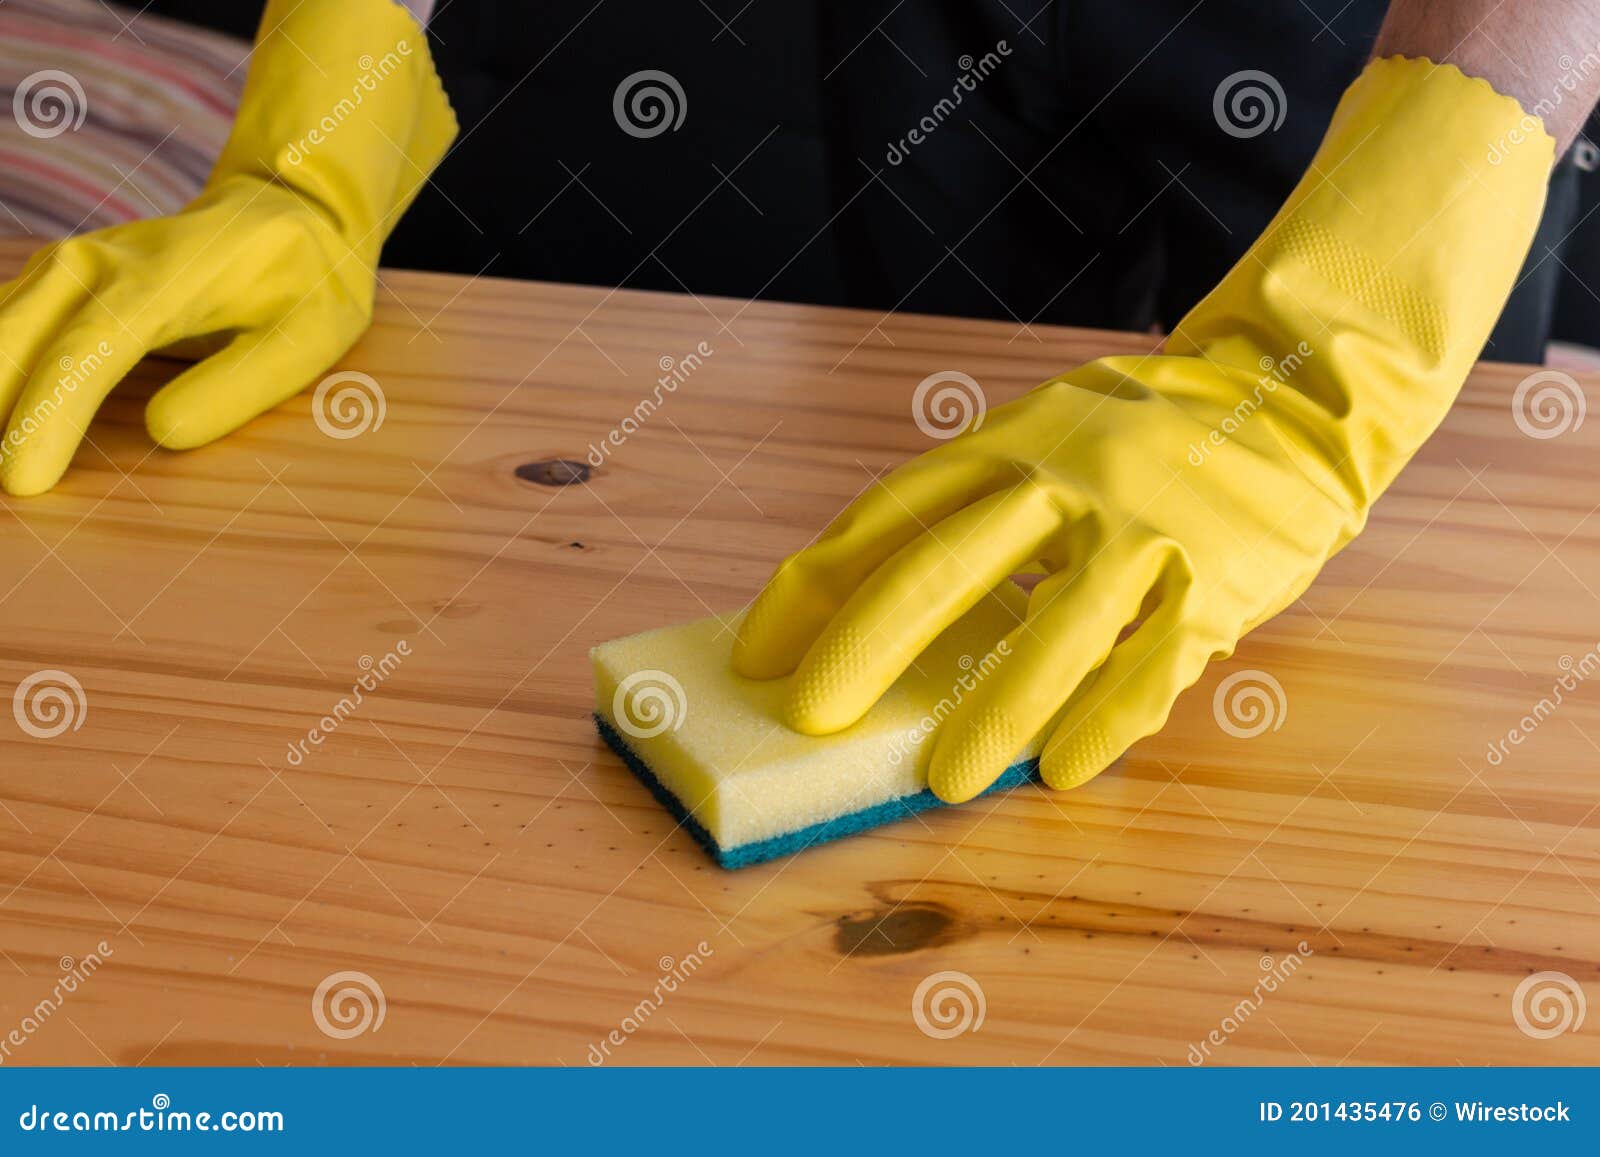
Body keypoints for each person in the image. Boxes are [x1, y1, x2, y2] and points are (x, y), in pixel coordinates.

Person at [1, 0, 1596, 801]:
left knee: (1380, 714)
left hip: (1386, 45)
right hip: (854, 37)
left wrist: (1327, 356)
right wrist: (319, 137)